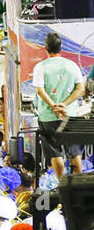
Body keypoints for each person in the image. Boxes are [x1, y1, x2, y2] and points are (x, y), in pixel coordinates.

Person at [32, 31, 84, 177]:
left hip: (48, 117)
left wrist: (54, 106)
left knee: (55, 153)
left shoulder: (40, 67)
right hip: (70, 116)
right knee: (74, 153)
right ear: (61, 47)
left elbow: (40, 91)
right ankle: (79, 187)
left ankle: (62, 187)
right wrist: (64, 105)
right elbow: (80, 89)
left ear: (45, 48)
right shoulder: (72, 66)